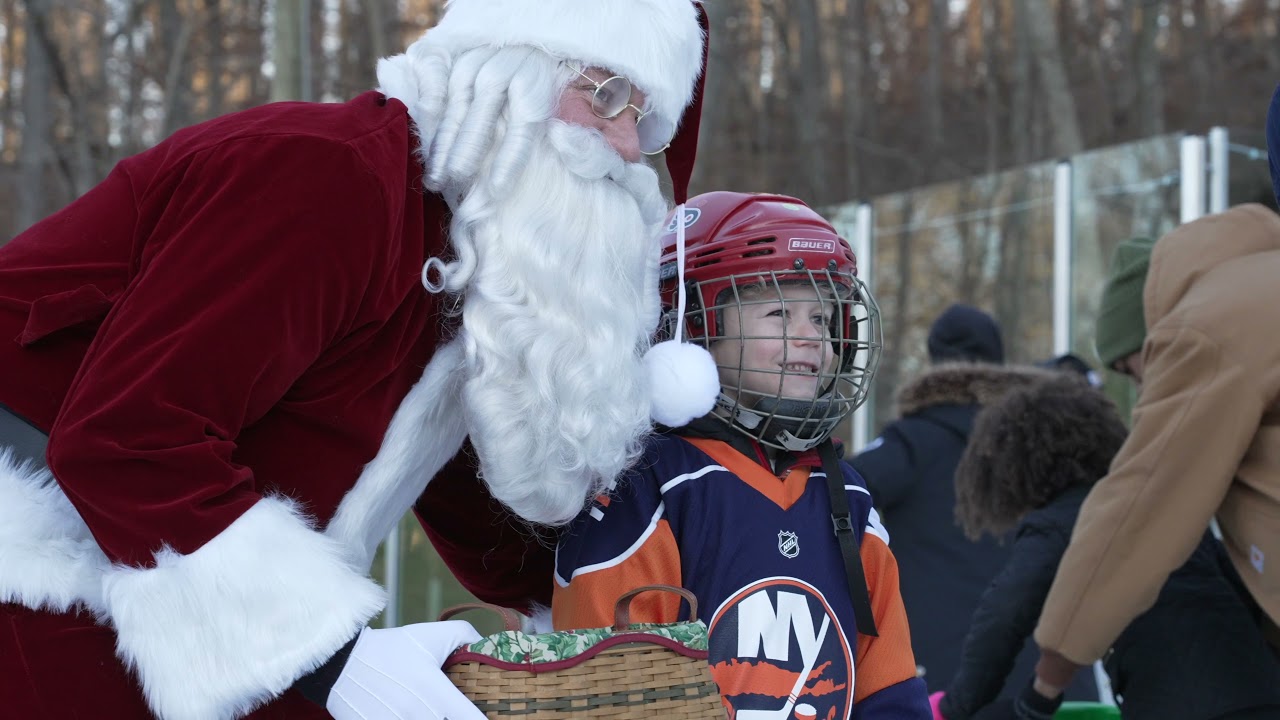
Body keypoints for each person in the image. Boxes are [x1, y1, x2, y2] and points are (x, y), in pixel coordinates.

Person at [0, 2, 711, 719]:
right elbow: (127, 440)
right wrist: (337, 659)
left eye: (643, 120)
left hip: (188, 595)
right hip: (44, 577)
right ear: (504, 75)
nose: (626, 147)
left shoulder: (476, 251)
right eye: (609, 97)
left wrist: (621, 591)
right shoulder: (326, 175)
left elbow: (477, 506)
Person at [552, 191, 932, 719]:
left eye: (823, 320)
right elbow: (608, 690)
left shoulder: (847, 493)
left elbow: (886, 685)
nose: (810, 338)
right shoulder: (647, 488)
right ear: (690, 323)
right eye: (780, 312)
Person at [1012, 210, 1280, 719]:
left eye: (1131, 371)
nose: (1141, 390)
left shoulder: (1205, 329)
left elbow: (1141, 507)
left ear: (1147, 340)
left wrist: (1048, 681)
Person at [929, 374, 1280, 720]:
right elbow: (1236, 584)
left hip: (1178, 704)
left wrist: (957, 706)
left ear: (1012, 468)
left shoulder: (1059, 525)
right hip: (1260, 692)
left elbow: (1005, 612)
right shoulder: (1155, 501)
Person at [851, 304, 1091, 701]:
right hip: (1040, 674)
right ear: (998, 361)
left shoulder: (912, 443)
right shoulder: (1043, 447)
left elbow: (834, 494)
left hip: (944, 675)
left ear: (933, 365)